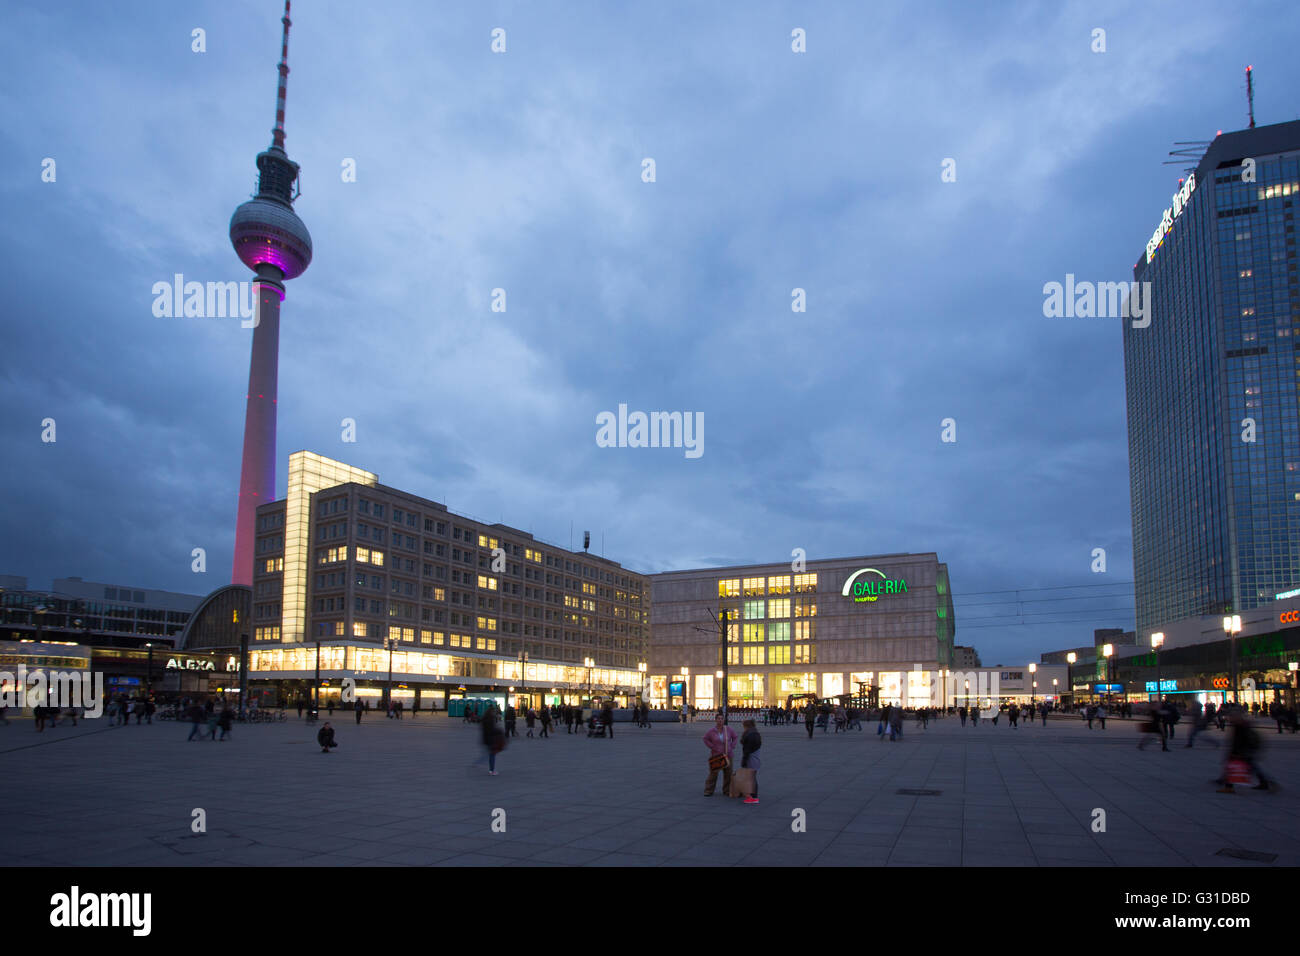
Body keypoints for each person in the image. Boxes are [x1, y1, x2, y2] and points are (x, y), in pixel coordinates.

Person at [1216, 708, 1274, 792]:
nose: (1229, 719)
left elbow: (1238, 741)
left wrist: (1235, 752)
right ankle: (1265, 782)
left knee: (1232, 766)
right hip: (1245, 750)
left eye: (1231, 717)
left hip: (1242, 750)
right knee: (1251, 766)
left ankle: (1228, 786)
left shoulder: (1240, 726)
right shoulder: (1242, 725)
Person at [703, 713, 738, 796]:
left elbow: (735, 737)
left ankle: (726, 790)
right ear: (715, 720)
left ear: (724, 720)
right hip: (716, 756)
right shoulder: (712, 731)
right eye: (718, 719)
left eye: (722, 719)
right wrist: (712, 746)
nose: (720, 720)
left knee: (728, 774)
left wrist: (732, 746)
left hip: (728, 755)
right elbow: (705, 738)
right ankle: (708, 790)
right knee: (713, 774)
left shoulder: (728, 729)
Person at [738, 718, 762, 804]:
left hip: (751, 758)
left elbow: (747, 750)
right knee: (752, 777)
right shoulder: (755, 733)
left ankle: (753, 797)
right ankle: (751, 795)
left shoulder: (749, 735)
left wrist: (744, 761)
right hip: (756, 757)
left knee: (751, 778)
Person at [482, 706, 505, 775]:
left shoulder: (485, 718)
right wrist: (499, 731)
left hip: (486, 739)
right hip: (491, 739)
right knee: (492, 755)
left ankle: (490, 769)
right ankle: (491, 770)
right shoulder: (490, 719)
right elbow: (492, 730)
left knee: (490, 754)